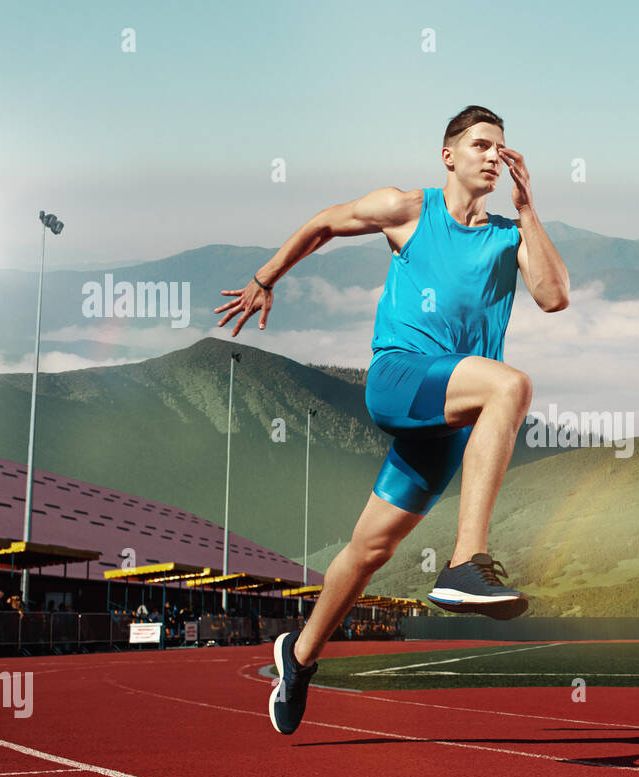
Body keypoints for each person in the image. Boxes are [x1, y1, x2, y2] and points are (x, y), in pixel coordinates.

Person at [215, 105, 569, 735]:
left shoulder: (508, 237)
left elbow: (552, 296)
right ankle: (468, 560)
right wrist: (265, 277)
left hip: (451, 414)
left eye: (502, 148)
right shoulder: (409, 209)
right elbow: (327, 221)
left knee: (369, 548)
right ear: (449, 155)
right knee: (511, 386)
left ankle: (298, 659)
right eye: (481, 145)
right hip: (402, 379)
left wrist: (530, 210)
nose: (494, 156)